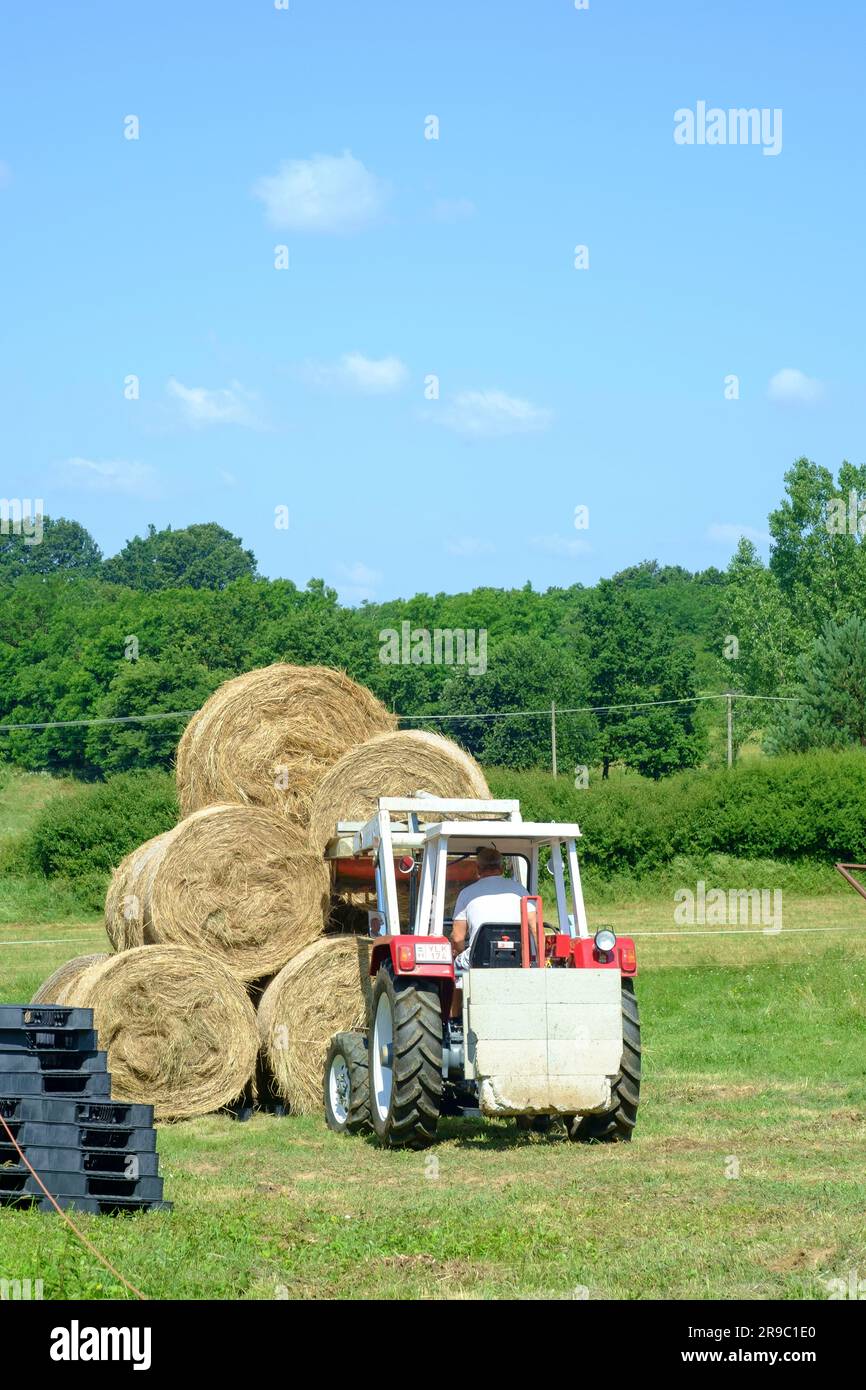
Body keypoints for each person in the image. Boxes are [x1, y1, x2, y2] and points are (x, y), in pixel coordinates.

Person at [448, 846, 536, 1017]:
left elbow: (458, 937)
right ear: (501, 868)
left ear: (478, 869)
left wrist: (461, 952)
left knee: (455, 968)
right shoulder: (519, 890)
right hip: (518, 959)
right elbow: (535, 926)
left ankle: (455, 1018)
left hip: (480, 960)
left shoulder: (467, 893)